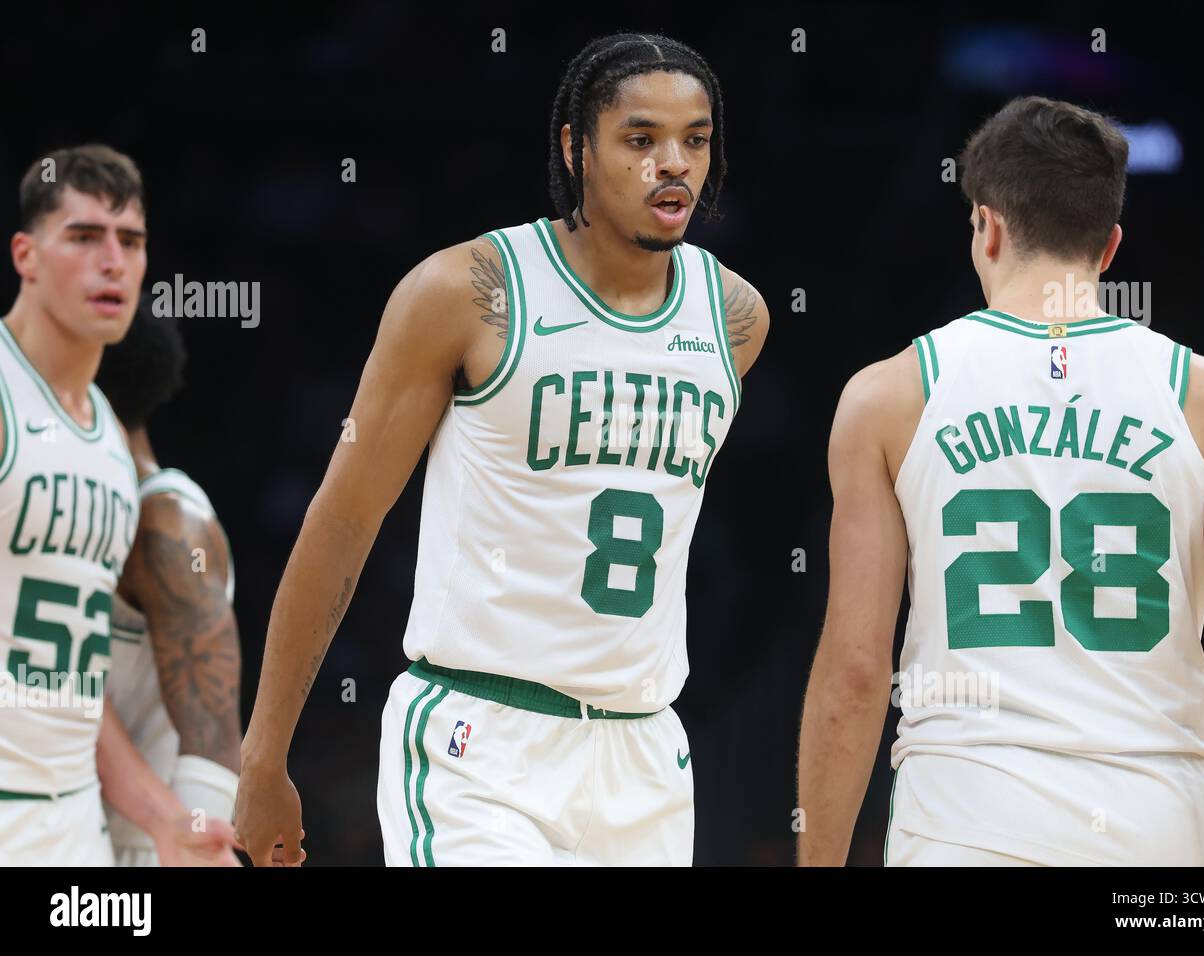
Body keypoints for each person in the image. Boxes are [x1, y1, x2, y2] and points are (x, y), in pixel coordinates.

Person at [236, 33, 769, 867]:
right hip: (478, 740)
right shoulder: (464, 292)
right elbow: (344, 517)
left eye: (694, 140)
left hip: (646, 753)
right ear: (574, 146)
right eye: (640, 139)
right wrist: (263, 755)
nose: (674, 164)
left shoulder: (736, 318)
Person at [799, 96, 1204, 866]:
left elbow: (858, 670)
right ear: (1109, 247)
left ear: (986, 226)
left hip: (960, 825)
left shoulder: (888, 396)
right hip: (1153, 831)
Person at [0, 144, 236, 865]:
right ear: (26, 255)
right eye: (82, 237)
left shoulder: (107, 443)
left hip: (71, 831)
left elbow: (70, 690)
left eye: (129, 242)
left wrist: (168, 820)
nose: (112, 261)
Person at [97, 306, 242, 866]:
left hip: (134, 850)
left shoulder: (166, 524)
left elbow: (212, 735)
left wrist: (197, 848)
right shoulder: (55, 511)